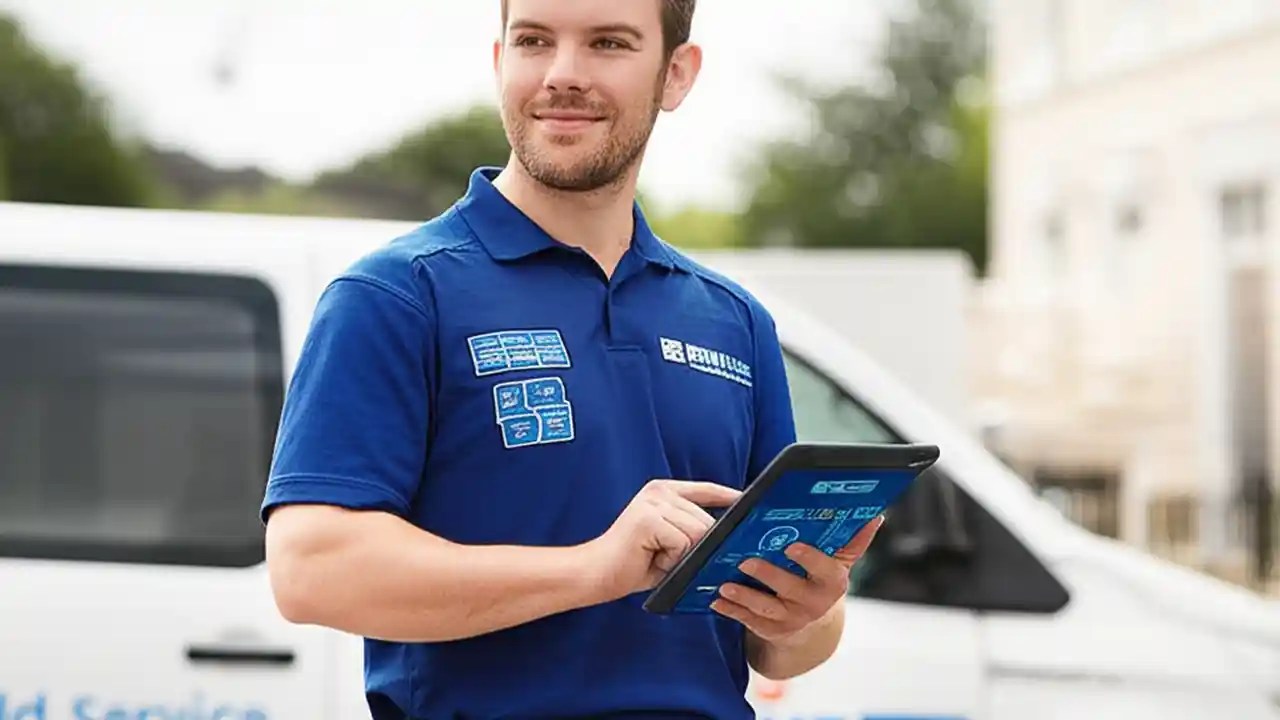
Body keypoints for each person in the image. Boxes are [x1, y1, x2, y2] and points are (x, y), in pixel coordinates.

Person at [260, 0, 884, 717]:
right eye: (533, 41)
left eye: (607, 43)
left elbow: (779, 645)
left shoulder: (734, 322)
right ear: (500, 62)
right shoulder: (399, 295)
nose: (562, 74)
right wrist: (594, 569)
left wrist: (808, 607)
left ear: (675, 74)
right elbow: (312, 569)